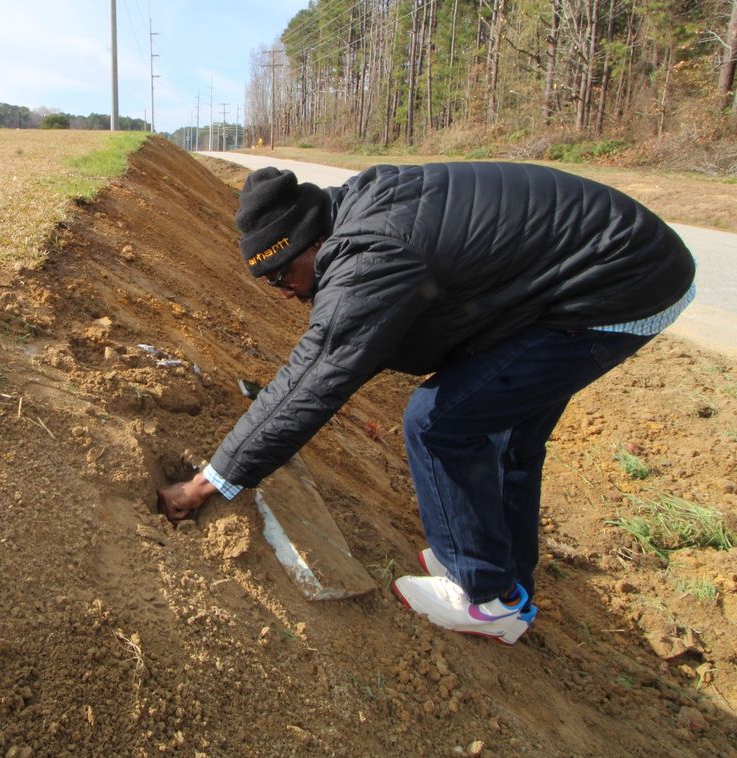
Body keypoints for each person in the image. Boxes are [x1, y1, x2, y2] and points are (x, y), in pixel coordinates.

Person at [157, 162, 695, 645]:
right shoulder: (355, 209)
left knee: (440, 421)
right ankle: (504, 580)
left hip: (616, 285)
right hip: (618, 260)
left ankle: (483, 596)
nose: (284, 292)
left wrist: (209, 480)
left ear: (308, 244)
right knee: (504, 429)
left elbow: (316, 376)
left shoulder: (370, 255)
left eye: (280, 276)